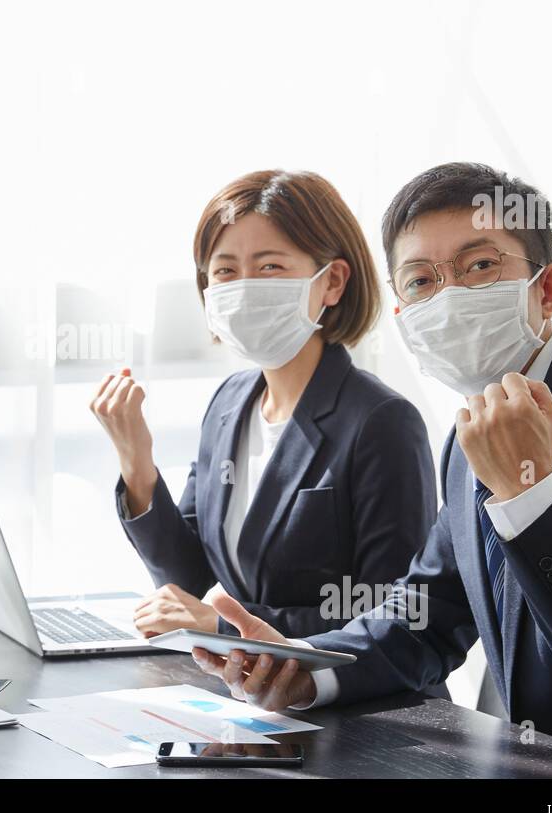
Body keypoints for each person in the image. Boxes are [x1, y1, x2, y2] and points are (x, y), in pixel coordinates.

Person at [191, 162, 552, 778]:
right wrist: (304, 669)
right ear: (403, 314)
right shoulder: (469, 434)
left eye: (478, 267)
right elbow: (426, 615)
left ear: (548, 290)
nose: (447, 298)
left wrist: (529, 495)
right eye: (420, 281)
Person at [90, 170, 437, 640]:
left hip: (349, 702)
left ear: (332, 281)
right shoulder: (229, 403)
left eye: (270, 266)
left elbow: (392, 615)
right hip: (242, 691)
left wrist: (229, 628)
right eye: (225, 271)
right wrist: (136, 462)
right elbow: (190, 580)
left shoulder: (381, 421)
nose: (244, 286)